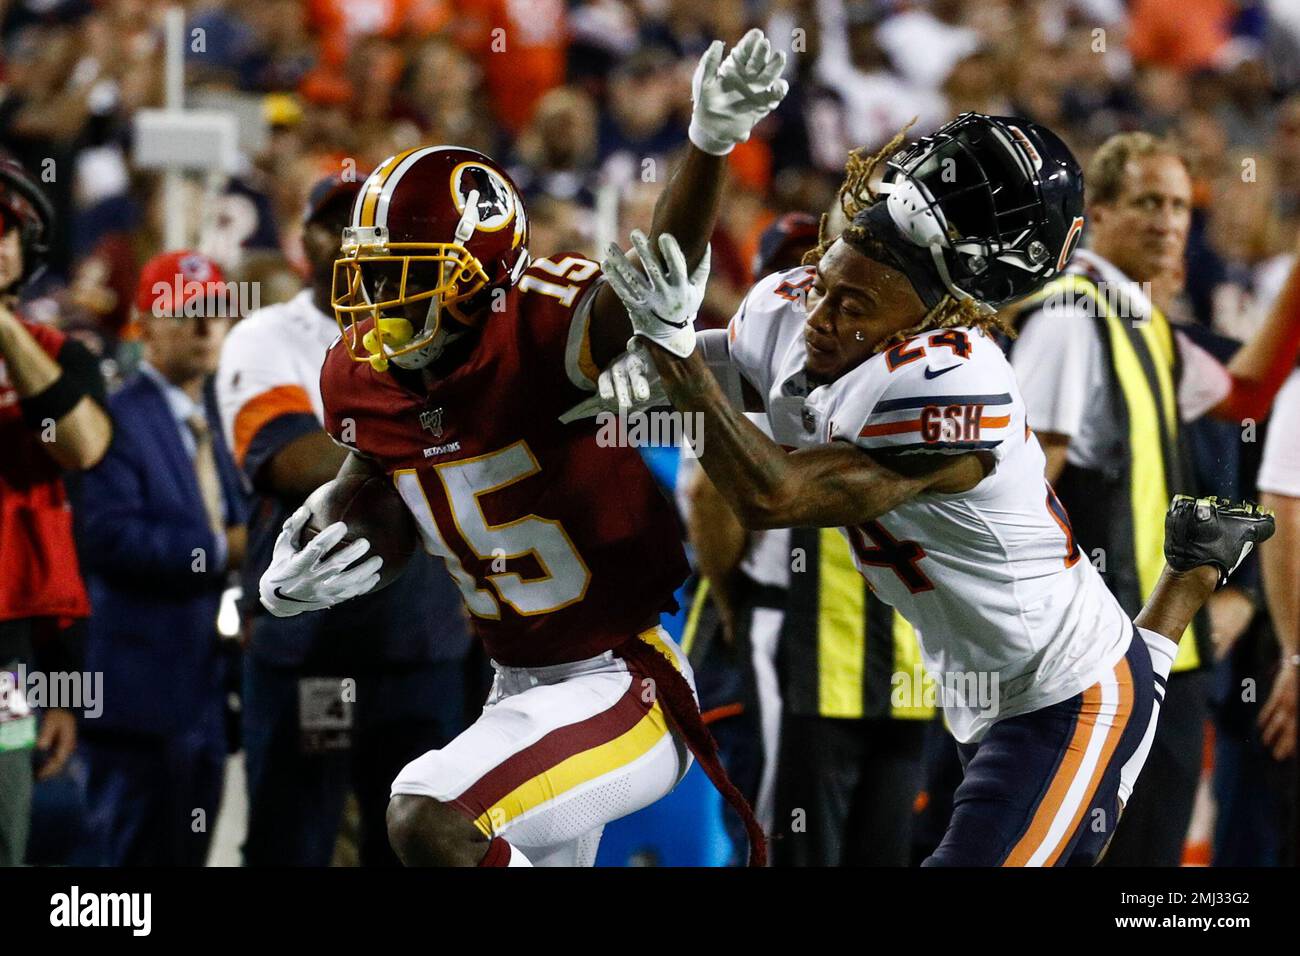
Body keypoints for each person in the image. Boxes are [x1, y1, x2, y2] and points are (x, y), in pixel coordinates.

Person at [597, 112, 1275, 866]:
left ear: (918, 325)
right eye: (825, 287)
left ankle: (1187, 579)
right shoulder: (803, 309)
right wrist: (708, 150)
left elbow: (774, 495)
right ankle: (1187, 577)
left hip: (1064, 700)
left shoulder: (952, 384)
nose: (820, 318)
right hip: (985, 695)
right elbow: (656, 377)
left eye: (854, 307)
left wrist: (678, 359)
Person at [256, 30, 789, 868]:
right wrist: (316, 539)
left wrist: (709, 143)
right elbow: (380, 478)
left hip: (620, 680)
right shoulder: (360, 374)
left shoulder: (542, 323)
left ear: (479, 273)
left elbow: (660, 280)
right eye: (374, 276)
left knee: (428, 817)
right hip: (516, 682)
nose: (378, 306)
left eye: (405, 277)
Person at [1007, 131, 1300, 865]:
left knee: (1149, 858)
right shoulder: (1073, 320)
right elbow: (1027, 482)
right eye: (1146, 203)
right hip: (1096, 654)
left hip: (1155, 645)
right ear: (1097, 214)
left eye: (1179, 206)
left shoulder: (1150, 327)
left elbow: (1249, 392)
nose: (1170, 223)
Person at [215, 175, 471, 867]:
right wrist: (439, 435)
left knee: (415, 849)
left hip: (424, 643)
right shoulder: (266, 334)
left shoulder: (444, 330)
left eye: (370, 225)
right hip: (313, 650)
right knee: (294, 842)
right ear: (304, 240)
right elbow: (296, 462)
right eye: (335, 225)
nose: (355, 242)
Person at [76, 251, 245, 866]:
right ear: (144, 326)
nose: (205, 327)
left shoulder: (222, 420)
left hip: (205, 690)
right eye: (186, 312)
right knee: (128, 872)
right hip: (137, 694)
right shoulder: (113, 420)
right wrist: (218, 550)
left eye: (215, 313)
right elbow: (107, 538)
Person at [0, 158, 110, 866]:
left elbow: (85, 446)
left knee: (4, 833)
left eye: (4, 231)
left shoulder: (57, 352)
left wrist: (64, 686)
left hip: (5, 657)